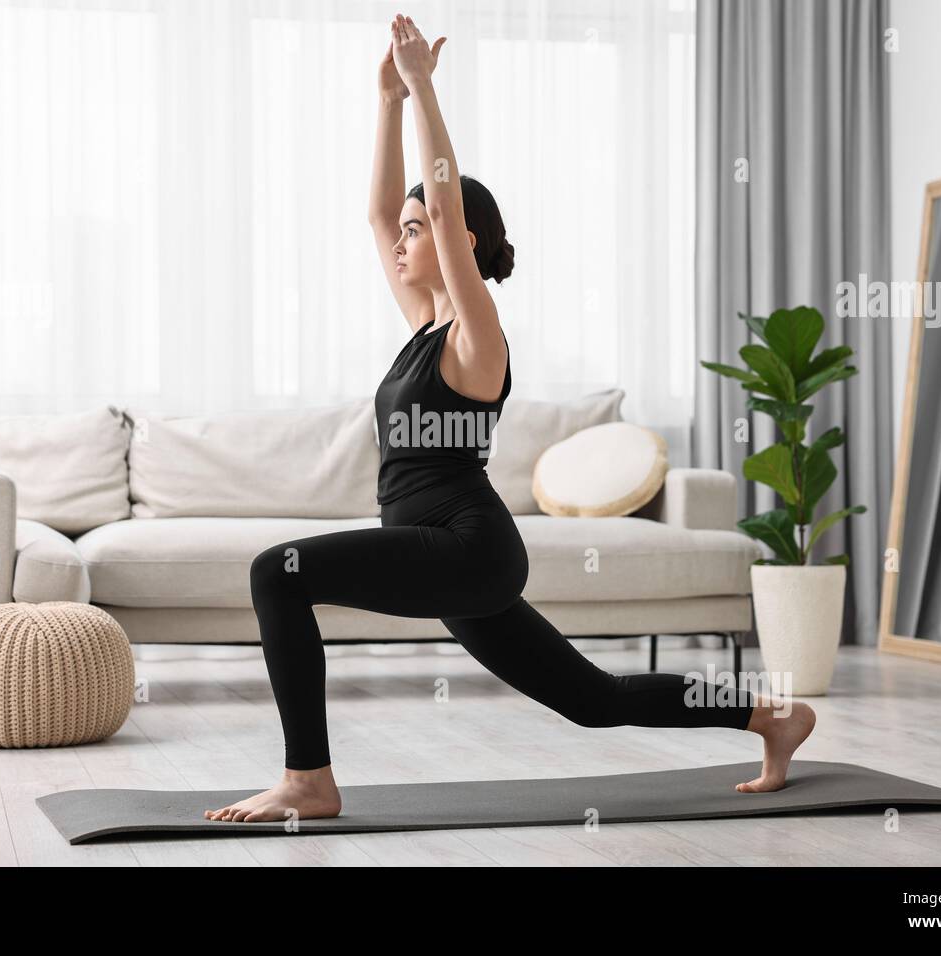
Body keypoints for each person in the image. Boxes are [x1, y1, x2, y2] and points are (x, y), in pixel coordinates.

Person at [205, 14, 814, 824]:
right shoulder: (422, 326)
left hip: (467, 547)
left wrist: (426, 89)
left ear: (461, 241)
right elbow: (381, 213)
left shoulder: (474, 332)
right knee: (593, 699)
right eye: (408, 231)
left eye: (423, 232)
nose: (401, 241)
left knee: (276, 571)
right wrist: (386, 100)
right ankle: (772, 715)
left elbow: (440, 203)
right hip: (450, 558)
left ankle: (308, 779)